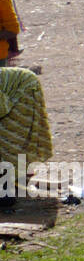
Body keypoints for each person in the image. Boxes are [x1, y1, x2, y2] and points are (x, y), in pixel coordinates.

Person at [0, 67, 53, 211]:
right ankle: (12, 179)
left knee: (10, 138)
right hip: (21, 87)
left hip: (25, 89)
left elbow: (2, 106)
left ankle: (9, 183)